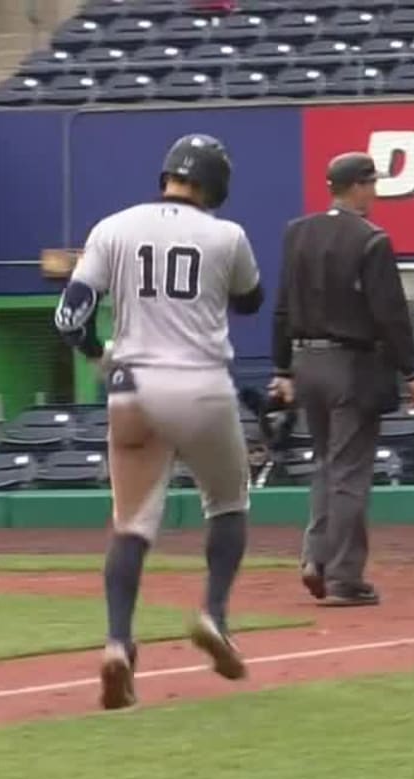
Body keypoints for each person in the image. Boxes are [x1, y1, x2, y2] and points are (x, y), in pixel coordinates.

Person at [53, 133, 263, 711]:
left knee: (131, 525)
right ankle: (213, 614)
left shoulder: (112, 227)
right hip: (200, 384)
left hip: (132, 387)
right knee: (228, 502)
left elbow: (69, 318)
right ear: (216, 183)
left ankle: (118, 643)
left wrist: (99, 355)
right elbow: (251, 299)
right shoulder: (227, 235)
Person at [271, 153, 414, 606]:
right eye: (371, 183)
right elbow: (389, 313)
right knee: (349, 473)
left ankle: (316, 556)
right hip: (351, 366)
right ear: (357, 186)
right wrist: (411, 369)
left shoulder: (297, 232)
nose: (375, 191)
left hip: (306, 363)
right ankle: (343, 577)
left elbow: (282, 306)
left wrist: (281, 368)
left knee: (326, 464)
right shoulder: (371, 239)